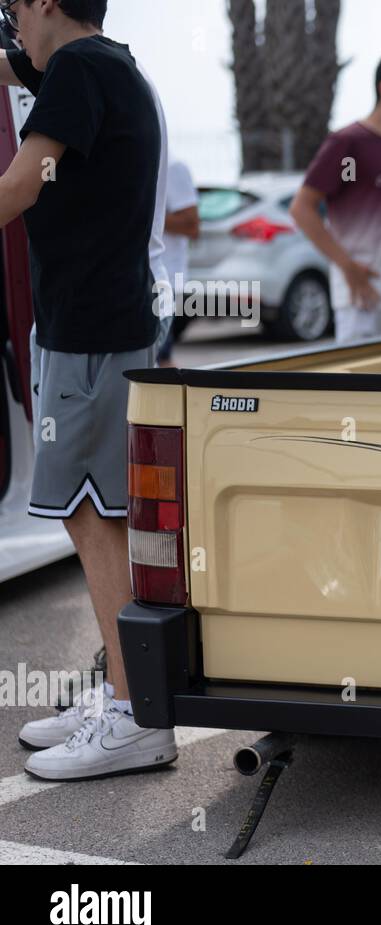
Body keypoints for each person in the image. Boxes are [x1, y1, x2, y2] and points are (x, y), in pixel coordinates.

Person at [0, 0, 179, 779]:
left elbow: (19, 186)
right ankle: (121, 693)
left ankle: (137, 716)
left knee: (90, 517)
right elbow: (17, 66)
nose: (13, 24)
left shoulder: (78, 70)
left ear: (44, 2)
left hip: (89, 338)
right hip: (107, 328)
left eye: (13, 7)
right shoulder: (111, 66)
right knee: (100, 516)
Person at [291, 53, 381, 343]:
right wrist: (347, 267)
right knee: (360, 388)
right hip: (361, 298)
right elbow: (302, 208)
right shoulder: (347, 142)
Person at [156, 157, 198, 364]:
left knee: (159, 362)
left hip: (163, 280)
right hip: (134, 278)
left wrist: (139, 212)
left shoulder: (172, 166)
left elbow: (192, 225)